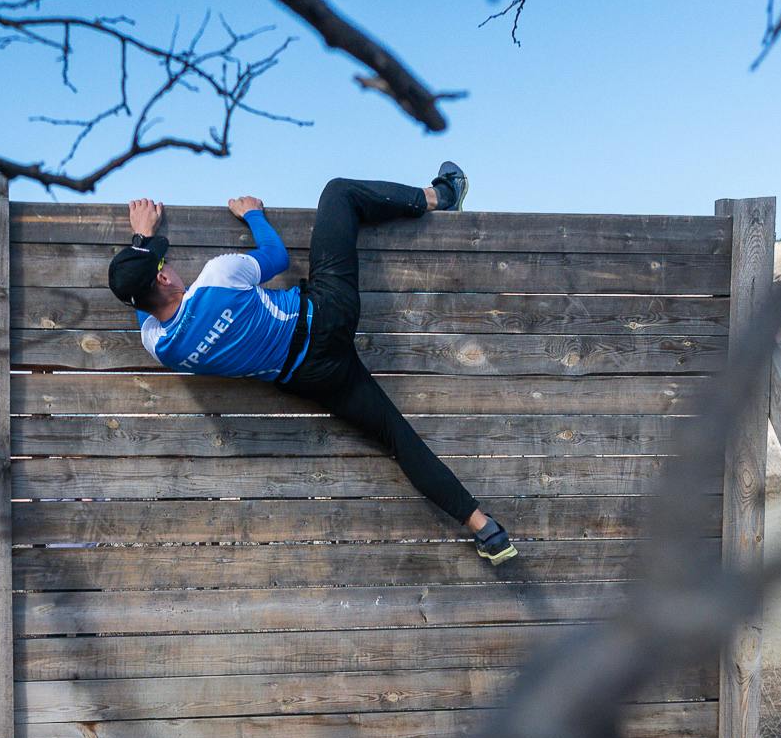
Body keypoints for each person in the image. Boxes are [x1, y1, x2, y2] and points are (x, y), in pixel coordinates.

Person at [105, 163, 517, 565]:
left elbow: (146, 310)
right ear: (162, 279)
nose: (170, 265)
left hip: (313, 377)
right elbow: (276, 256)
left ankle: (486, 529)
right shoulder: (217, 277)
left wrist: (142, 243)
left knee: (397, 439)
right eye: (164, 263)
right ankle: (441, 196)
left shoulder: (161, 347)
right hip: (326, 314)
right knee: (338, 192)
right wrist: (252, 214)